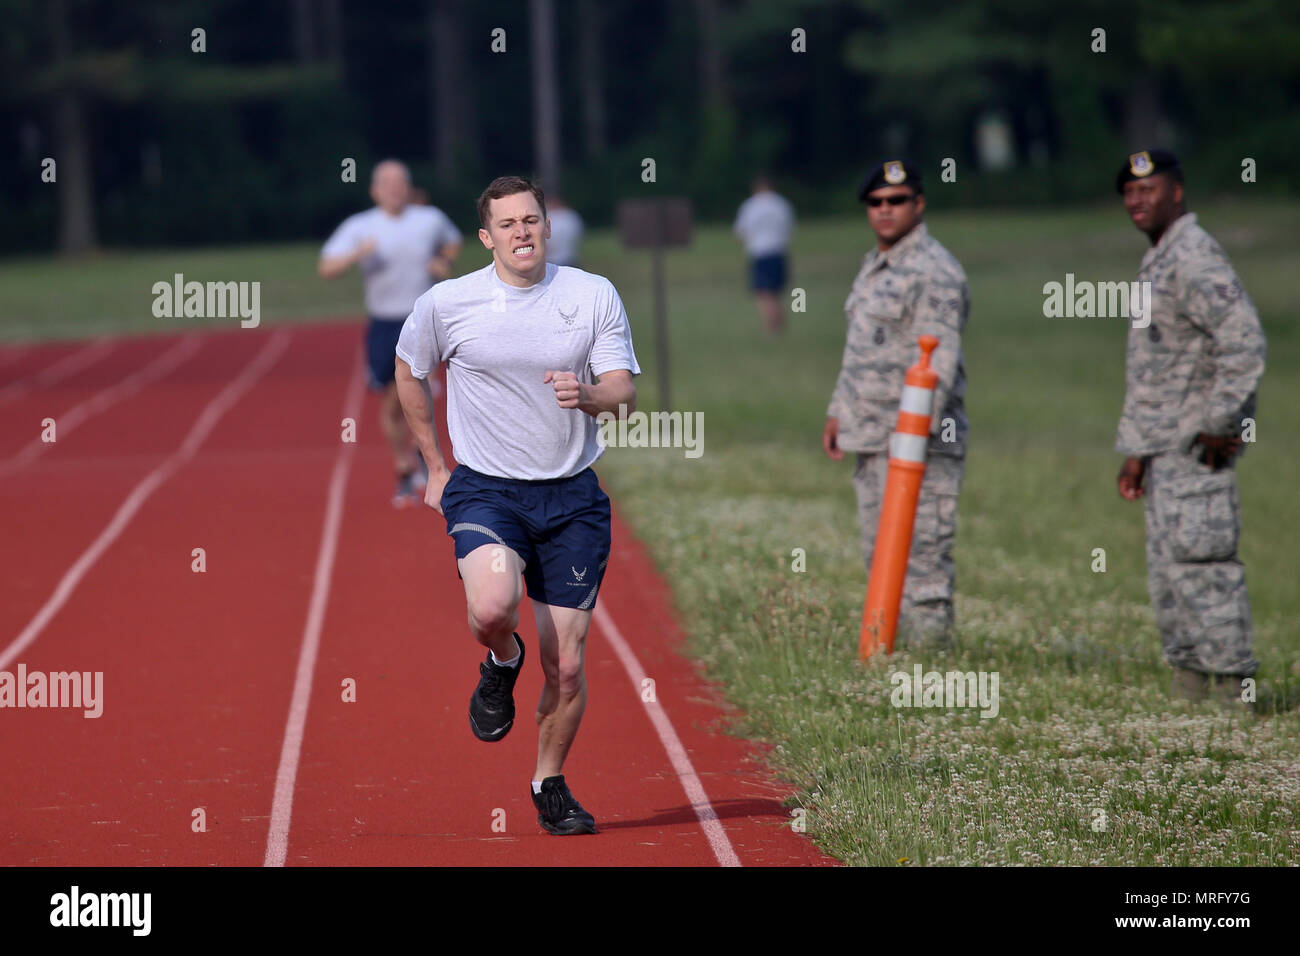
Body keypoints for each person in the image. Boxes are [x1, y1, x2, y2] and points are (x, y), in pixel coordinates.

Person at [394, 175, 640, 835]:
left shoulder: (590, 295)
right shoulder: (450, 303)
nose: (522, 232)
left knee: (567, 660)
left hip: (572, 497)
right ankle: (502, 660)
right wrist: (435, 464)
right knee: (494, 608)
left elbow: (623, 390)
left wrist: (586, 396)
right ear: (486, 237)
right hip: (486, 488)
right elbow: (408, 369)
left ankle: (548, 781)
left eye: (531, 220)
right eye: (507, 224)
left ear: (547, 226)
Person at [1113, 149, 1266, 707]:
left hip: (1197, 450)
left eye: (1149, 189)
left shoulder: (1194, 258)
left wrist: (1221, 423)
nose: (1137, 200)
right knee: (1171, 577)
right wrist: (1136, 450)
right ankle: (1192, 691)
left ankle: (1233, 695)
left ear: (1177, 191)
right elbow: (1156, 370)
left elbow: (1245, 342)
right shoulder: (1160, 259)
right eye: (1129, 192)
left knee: (1205, 572)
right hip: (1162, 451)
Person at [822, 160, 970, 647]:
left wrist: (914, 437)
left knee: (922, 564)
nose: (885, 210)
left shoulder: (934, 271)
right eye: (876, 203)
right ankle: (888, 659)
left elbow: (938, 364)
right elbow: (863, 350)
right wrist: (839, 410)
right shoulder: (876, 266)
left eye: (897, 200)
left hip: (916, 446)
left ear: (919, 204)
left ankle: (926, 672)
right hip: (871, 436)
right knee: (881, 558)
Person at [319, 159, 462, 506]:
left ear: (408, 187)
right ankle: (402, 462)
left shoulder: (429, 219)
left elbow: (453, 241)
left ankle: (427, 461)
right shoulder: (360, 226)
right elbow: (326, 268)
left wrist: (443, 261)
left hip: (423, 319)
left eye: (400, 183)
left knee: (422, 391)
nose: (395, 189)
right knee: (391, 400)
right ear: (375, 190)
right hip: (384, 323)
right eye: (387, 183)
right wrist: (357, 253)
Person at [733, 176, 795, 336]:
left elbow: (740, 232)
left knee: (763, 293)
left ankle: (771, 329)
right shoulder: (781, 204)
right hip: (778, 251)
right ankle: (779, 327)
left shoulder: (750, 206)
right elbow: (790, 228)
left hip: (759, 253)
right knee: (776, 293)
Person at [544, 193, 584, 267]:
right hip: (571, 258)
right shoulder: (573, 215)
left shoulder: (551, 217)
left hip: (554, 260)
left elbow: (549, 244)